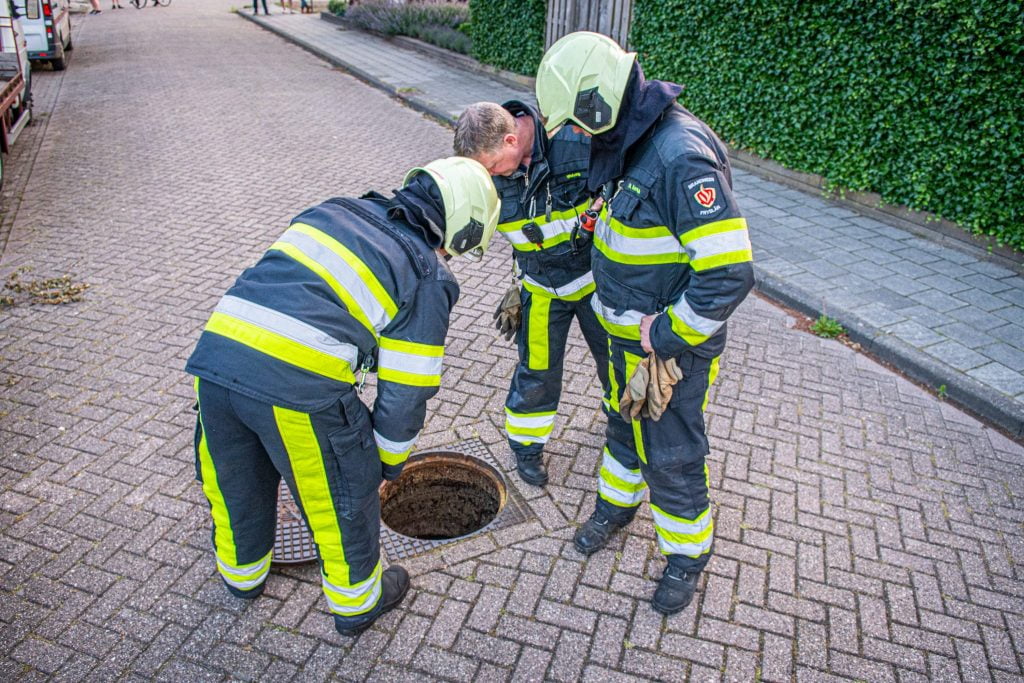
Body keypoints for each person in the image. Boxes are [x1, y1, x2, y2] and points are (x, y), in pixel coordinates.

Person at [185, 157, 500, 636]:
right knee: (343, 495)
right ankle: (357, 604)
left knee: (234, 484)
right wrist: (385, 464)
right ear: (460, 230)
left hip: (215, 364)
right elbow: (406, 393)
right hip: (299, 390)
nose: (451, 261)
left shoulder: (336, 210)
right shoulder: (425, 272)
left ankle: (241, 577)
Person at [534, 32, 754, 615]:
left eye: (577, 126)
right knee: (621, 424)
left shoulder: (678, 157)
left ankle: (686, 556)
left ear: (598, 105)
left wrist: (663, 334)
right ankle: (616, 506)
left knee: (672, 451)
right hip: (623, 340)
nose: (576, 139)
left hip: (666, 352)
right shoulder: (631, 142)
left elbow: (729, 274)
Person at [454, 101, 609, 487]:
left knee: (616, 363)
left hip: (597, 285)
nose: (487, 176)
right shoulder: (486, 174)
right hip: (540, 288)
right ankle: (526, 447)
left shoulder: (577, 142)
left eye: (490, 166)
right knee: (536, 371)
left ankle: (622, 433)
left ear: (511, 140)